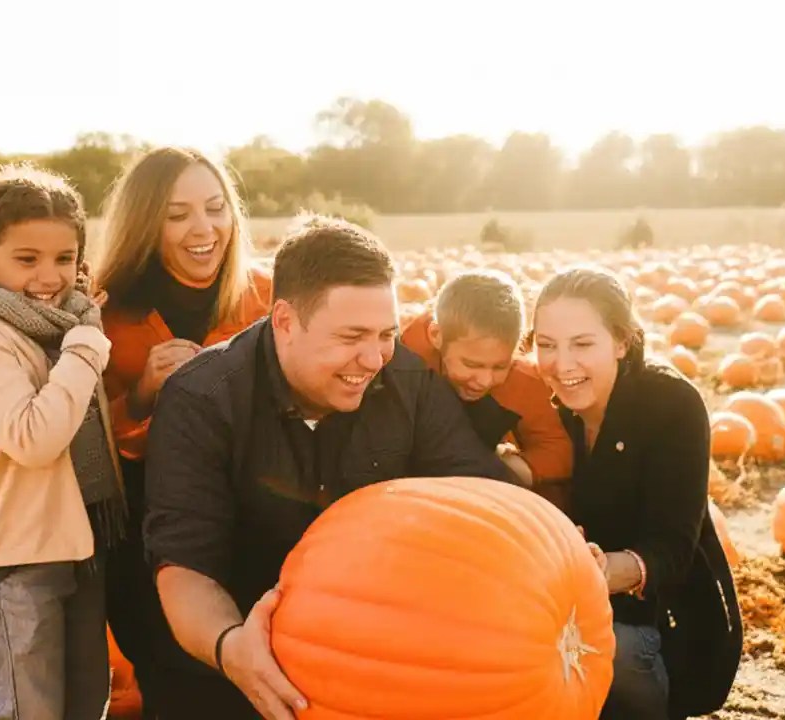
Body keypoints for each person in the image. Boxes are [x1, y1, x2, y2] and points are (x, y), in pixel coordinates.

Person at [142, 214, 515, 719]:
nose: (373, 357)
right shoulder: (203, 398)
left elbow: (480, 490)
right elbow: (186, 565)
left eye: (386, 333)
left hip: (379, 648)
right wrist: (232, 647)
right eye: (351, 336)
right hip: (232, 652)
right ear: (285, 322)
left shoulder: (406, 380)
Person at [92, 146, 273, 713]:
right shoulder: (107, 314)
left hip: (258, 512)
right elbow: (91, 448)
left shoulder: (269, 296)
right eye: (178, 215)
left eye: (216, 208)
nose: (204, 229)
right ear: (146, 223)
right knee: (181, 686)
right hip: (151, 529)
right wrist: (144, 392)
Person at [0, 163, 120, 720]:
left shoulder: (66, 323)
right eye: (27, 259)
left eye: (64, 259)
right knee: (29, 709)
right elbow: (34, 438)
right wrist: (87, 350)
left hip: (80, 539)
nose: (49, 275)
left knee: (86, 703)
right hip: (19, 554)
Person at [531, 266, 742, 720]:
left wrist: (600, 573)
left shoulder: (670, 405)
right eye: (546, 345)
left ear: (622, 341)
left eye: (582, 344)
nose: (561, 364)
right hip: (557, 605)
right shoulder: (544, 404)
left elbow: (671, 551)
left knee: (607, 647)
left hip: (659, 622)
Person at [399, 269, 572, 502]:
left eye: (500, 366)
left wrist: (515, 467)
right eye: (471, 364)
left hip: (484, 484)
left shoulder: (523, 381)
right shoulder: (408, 358)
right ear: (436, 336)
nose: (484, 380)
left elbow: (558, 447)